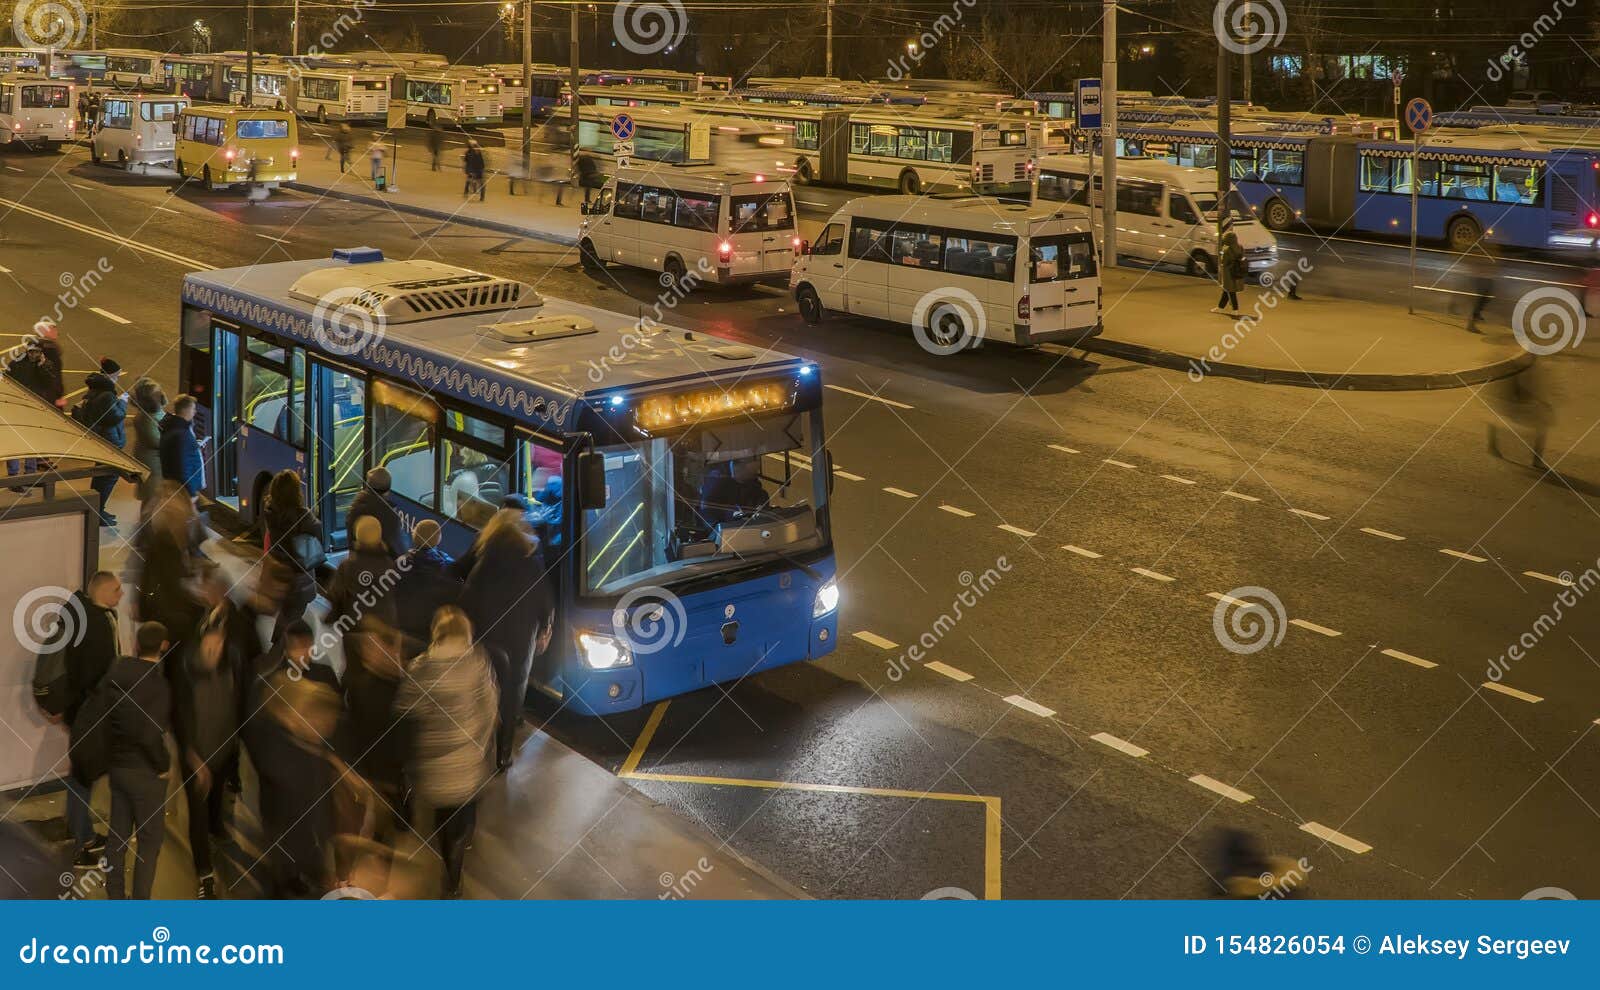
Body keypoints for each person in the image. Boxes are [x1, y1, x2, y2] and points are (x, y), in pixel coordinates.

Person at [393, 606, 498, 898]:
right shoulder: (477, 660)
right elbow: (489, 706)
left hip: (435, 766)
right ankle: (455, 870)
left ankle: (450, 867)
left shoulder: (421, 667)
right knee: (463, 817)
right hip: (468, 761)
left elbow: (405, 710)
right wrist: (482, 741)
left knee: (444, 819)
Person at [456, 510, 552, 770]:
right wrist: (545, 627)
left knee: (486, 687)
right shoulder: (531, 559)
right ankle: (503, 754)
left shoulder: (484, 556)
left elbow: (465, 590)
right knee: (514, 690)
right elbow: (543, 597)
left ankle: (482, 742)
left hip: (488, 633)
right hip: (522, 635)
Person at [40, 572, 122, 868]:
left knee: (82, 772)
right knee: (82, 776)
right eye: (116, 590)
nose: (121, 594)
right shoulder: (98, 625)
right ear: (101, 592)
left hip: (81, 711)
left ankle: (83, 833)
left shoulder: (81, 614)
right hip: (91, 713)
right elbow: (95, 674)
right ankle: (81, 845)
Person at [103, 621, 173, 900]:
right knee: (149, 841)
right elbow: (149, 734)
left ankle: (116, 898)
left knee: (116, 840)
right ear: (164, 646)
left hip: (117, 767)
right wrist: (163, 764)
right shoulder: (158, 684)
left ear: (136, 644)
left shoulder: (116, 672)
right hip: (145, 773)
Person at [173, 623, 238, 898]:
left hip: (223, 750)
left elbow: (237, 704)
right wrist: (193, 757)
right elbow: (177, 718)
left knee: (216, 798)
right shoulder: (186, 669)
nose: (214, 650)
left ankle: (216, 827)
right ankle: (205, 873)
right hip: (196, 758)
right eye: (209, 645)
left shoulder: (231, 664)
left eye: (218, 645)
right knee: (197, 814)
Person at [134, 484, 203, 683]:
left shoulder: (184, 534)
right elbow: (158, 585)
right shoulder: (163, 544)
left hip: (173, 624)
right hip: (173, 626)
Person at [262, 469, 324, 644]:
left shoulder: (270, 511)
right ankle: (279, 651)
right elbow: (318, 530)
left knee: (287, 614)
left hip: (278, 572)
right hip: (297, 577)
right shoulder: (303, 516)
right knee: (292, 617)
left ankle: (280, 646)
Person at [72, 357, 128, 527]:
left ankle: (98, 508)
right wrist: (123, 403)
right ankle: (98, 511)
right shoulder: (106, 395)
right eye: (117, 376)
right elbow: (115, 416)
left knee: (102, 476)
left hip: (104, 438)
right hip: (109, 440)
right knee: (108, 477)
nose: (118, 379)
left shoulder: (97, 391)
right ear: (110, 375)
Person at [392, 519, 463, 650]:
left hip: (405, 629)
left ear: (414, 537)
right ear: (439, 538)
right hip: (434, 630)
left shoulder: (399, 564)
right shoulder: (448, 566)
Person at [326, 516, 397, 630]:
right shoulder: (389, 564)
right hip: (384, 626)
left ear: (358, 535)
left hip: (353, 625)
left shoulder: (347, 565)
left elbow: (335, 593)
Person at [1488, 358, 1554, 471]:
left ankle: (1492, 445)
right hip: (1513, 401)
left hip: (1509, 400)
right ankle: (1537, 459)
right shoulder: (1522, 363)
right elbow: (1520, 389)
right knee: (1542, 422)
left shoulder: (1519, 361)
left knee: (1493, 415)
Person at [346, 466, 411, 557]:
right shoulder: (389, 513)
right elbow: (398, 547)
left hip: (356, 557)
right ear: (387, 490)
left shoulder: (356, 504)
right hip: (381, 563)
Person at [158, 394, 205, 498]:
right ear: (185, 410)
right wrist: (191, 493)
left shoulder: (171, 427)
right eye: (193, 409)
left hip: (174, 486)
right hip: (183, 491)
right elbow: (183, 467)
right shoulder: (182, 434)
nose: (195, 412)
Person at [128, 377, 166, 505]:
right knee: (152, 497)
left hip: (153, 460)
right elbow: (156, 442)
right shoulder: (146, 419)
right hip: (152, 463)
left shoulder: (151, 413)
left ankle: (148, 523)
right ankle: (147, 524)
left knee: (154, 496)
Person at [698, 457, 767, 526]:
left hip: (746, 522)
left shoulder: (750, 479)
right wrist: (732, 514)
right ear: (740, 467)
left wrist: (760, 505)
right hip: (722, 527)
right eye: (752, 472)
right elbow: (707, 509)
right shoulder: (716, 480)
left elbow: (761, 493)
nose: (756, 475)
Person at [1211, 227, 1247, 316]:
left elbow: (1224, 262)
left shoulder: (1227, 250)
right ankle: (1220, 307)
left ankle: (1235, 310)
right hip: (1238, 272)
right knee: (1227, 290)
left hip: (1229, 273)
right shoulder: (1240, 247)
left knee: (1230, 291)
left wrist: (1222, 255)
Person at [1466, 251, 1496, 334]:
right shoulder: (1482, 244)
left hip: (1486, 276)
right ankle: (1471, 324)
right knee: (1480, 300)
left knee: (1487, 297)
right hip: (1480, 276)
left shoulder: (1490, 241)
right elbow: (1474, 259)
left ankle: (1476, 315)